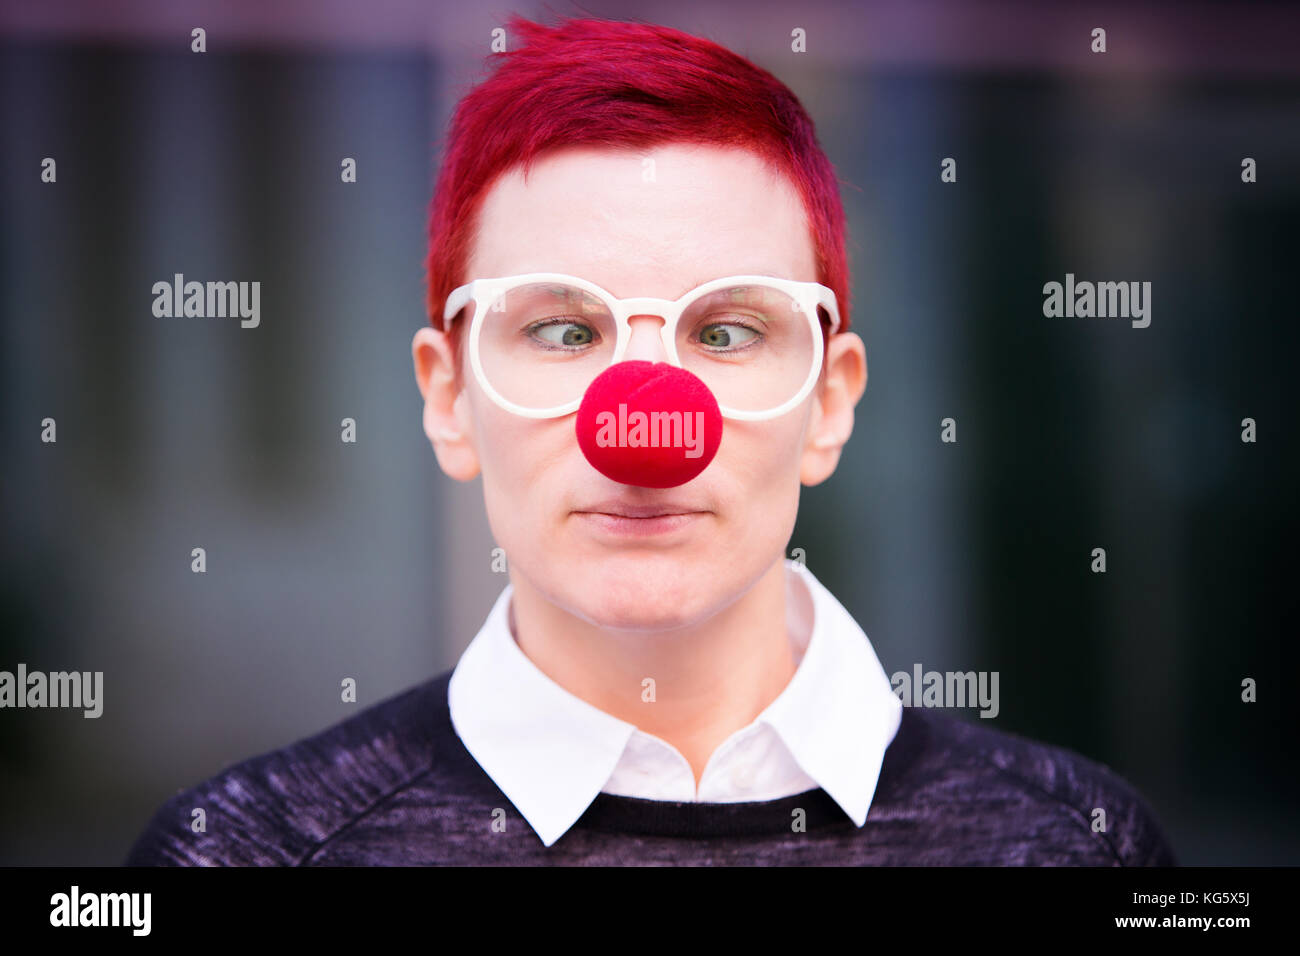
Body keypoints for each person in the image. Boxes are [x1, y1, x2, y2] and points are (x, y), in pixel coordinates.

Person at [124, 14, 1176, 865]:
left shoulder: (1080, 844)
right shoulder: (245, 851)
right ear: (449, 398)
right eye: (565, 330)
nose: (641, 421)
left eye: (725, 330)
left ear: (828, 403)